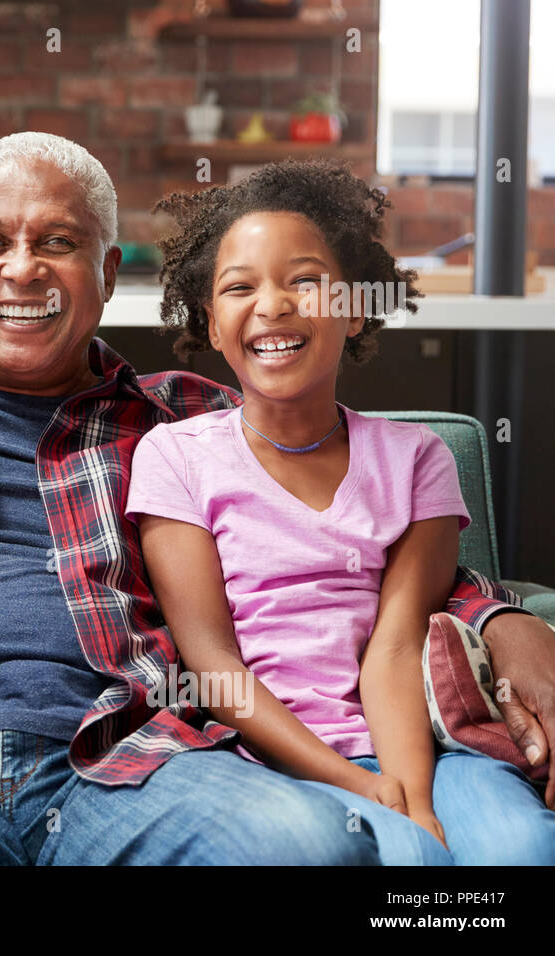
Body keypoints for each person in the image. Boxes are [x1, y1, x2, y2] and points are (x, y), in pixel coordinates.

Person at [0, 132, 552, 864]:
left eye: (59, 241)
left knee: (306, 845)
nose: (22, 269)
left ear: (110, 273)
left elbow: (351, 531)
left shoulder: (184, 420)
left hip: (132, 761)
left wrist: (507, 621)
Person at [125, 160, 555, 864]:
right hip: (265, 761)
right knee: (403, 865)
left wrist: (408, 793)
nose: (272, 304)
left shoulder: (417, 458)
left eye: (304, 280)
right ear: (211, 320)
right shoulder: (175, 457)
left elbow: (393, 644)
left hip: (421, 743)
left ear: (354, 306)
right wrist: (358, 786)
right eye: (240, 287)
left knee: (520, 852)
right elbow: (212, 666)